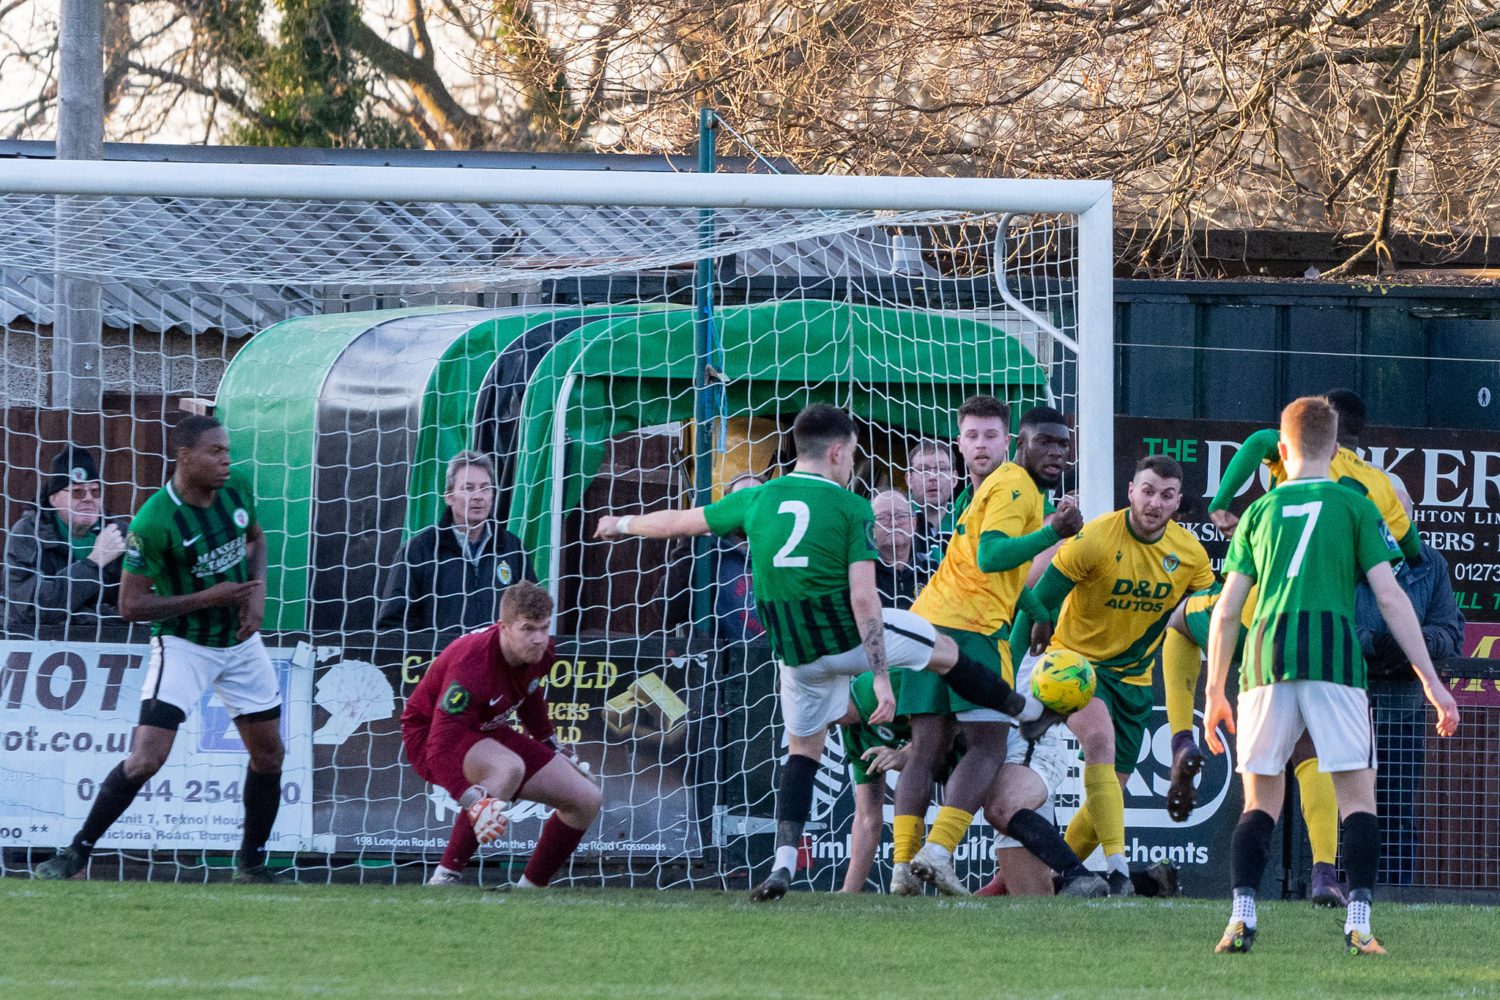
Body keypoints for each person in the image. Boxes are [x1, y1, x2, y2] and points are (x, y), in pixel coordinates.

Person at [594, 403, 1045, 903]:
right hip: (849, 643)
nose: (852, 463)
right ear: (837, 451)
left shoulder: (759, 497)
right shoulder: (851, 507)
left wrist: (621, 523)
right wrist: (878, 677)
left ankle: (783, 864)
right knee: (941, 646)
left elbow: (683, 521)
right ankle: (1023, 709)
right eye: (852, 453)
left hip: (797, 657)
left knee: (802, 753)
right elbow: (864, 599)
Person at [1203, 396, 1459, 956]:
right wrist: (1432, 682)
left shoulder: (1259, 513)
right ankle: (1359, 923)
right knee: (1358, 801)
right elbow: (1392, 598)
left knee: (1258, 805)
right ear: (1337, 446)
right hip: (1336, 660)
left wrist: (1214, 690)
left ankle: (1241, 916)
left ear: (1284, 447)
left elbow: (1225, 611)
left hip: (1266, 660)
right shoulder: (1355, 504)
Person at [1161, 389, 1415, 905]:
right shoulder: (1373, 489)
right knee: (1325, 764)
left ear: (1291, 438)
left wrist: (1217, 505)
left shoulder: (1266, 501)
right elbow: (1406, 561)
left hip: (1263, 634)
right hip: (1330, 645)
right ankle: (1328, 874)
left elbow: (1255, 442)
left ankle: (1181, 738)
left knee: (1179, 623)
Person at [34, 416, 286, 883]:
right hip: (184, 644)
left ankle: (250, 863)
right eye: (215, 452)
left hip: (239, 641)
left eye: (228, 450)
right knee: (147, 758)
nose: (226, 460)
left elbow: (256, 541)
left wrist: (257, 594)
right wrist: (205, 598)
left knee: (270, 754)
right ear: (185, 457)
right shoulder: (153, 521)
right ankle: (76, 852)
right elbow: (130, 605)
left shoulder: (237, 489)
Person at [899, 402, 1084, 896]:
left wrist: (1036, 607)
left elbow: (985, 566)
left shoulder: (983, 491)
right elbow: (992, 555)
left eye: (1062, 444)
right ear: (1018, 444)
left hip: (928, 622)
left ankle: (902, 867)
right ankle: (937, 852)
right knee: (988, 745)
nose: (1054, 451)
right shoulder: (1015, 486)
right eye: (1042, 441)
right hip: (970, 629)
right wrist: (1053, 532)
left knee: (926, 748)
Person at [1008, 455, 1215, 895]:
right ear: (1130, 491)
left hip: (1135, 678)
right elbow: (1038, 601)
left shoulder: (1191, 556)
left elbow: (1210, 614)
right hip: (1072, 663)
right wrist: (1007, 670)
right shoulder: (1095, 538)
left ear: (1178, 502)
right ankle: (1120, 872)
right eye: (1147, 491)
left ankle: (1054, 878)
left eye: (1166, 495)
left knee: (1111, 790)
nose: (1154, 502)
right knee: (1099, 740)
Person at [402, 580, 600, 889]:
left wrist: (550, 744)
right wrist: (472, 801)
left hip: (487, 730)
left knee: (586, 798)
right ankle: (445, 877)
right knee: (508, 768)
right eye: (528, 629)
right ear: (503, 626)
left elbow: (529, 693)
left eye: (544, 628)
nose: (538, 639)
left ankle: (530, 890)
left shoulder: (544, 650)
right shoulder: (472, 665)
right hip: (429, 737)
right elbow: (440, 747)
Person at [1354, 483, 1464, 885]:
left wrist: (1414, 642)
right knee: (1347, 805)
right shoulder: (1343, 558)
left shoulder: (1431, 563)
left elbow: (1450, 629)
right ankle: (1339, 889)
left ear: (1413, 512)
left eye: (1402, 511)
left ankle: (1396, 894)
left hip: (1404, 706)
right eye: (1385, 512)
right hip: (1348, 703)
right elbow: (1332, 620)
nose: (1395, 521)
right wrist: (1374, 643)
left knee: (1397, 808)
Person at [377, 450, 534, 638]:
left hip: (498, 664)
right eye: (468, 488)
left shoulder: (512, 548)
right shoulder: (419, 551)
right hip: (440, 663)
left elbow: (533, 614)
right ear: (449, 496)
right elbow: (392, 625)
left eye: (485, 488)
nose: (478, 496)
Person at [4, 445, 127, 636]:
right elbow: (31, 610)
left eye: (95, 492)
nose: (88, 499)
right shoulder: (28, 534)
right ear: (53, 499)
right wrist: (94, 562)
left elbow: (133, 608)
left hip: (111, 647)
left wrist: (75, 615)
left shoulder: (120, 535)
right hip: (35, 647)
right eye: (77, 492)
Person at [712, 472, 766, 643]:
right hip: (727, 662)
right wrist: (690, 541)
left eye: (756, 497)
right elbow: (663, 608)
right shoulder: (712, 552)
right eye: (741, 498)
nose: (749, 504)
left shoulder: (783, 551)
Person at [870, 489, 932, 609]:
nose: (893, 523)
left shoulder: (931, 571)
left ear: (913, 524)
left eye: (901, 516)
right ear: (871, 527)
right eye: (882, 518)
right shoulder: (863, 574)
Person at [907, 439, 958, 564]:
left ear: (954, 479)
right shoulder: (893, 519)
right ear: (909, 479)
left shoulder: (966, 521)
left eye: (941, 469)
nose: (932, 477)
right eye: (923, 470)